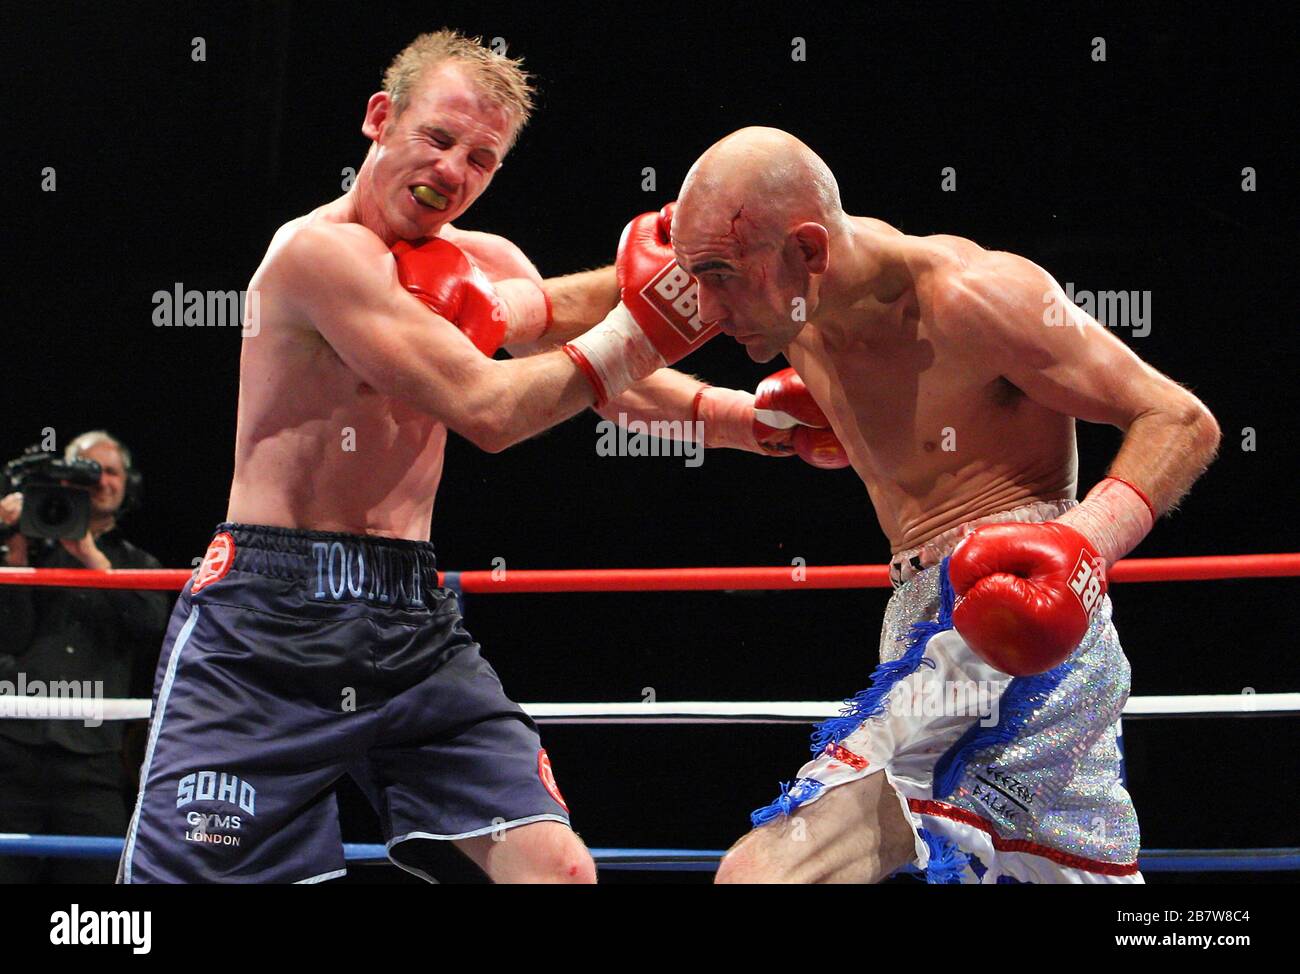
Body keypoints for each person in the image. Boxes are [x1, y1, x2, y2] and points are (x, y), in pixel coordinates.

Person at [118, 32, 844, 885]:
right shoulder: (316, 254)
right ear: (380, 119)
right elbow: (488, 409)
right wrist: (642, 320)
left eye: (483, 159)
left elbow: (604, 387)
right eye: (439, 139)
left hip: (409, 620)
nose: (454, 171)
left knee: (557, 870)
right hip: (266, 624)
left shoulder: (488, 265)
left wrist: (753, 421)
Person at [669, 127, 1220, 884]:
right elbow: (580, 352)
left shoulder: (975, 297)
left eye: (718, 275)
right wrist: (738, 419)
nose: (704, 306)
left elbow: (1180, 418)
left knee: (767, 874)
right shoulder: (781, 307)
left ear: (810, 250)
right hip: (923, 614)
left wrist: (1083, 544)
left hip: (1011, 613)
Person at [0, 431, 169, 883]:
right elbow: (8, 637)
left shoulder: (139, 564)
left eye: (109, 471)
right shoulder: (24, 552)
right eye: (87, 471)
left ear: (126, 484)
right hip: (10, 751)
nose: (100, 481)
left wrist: (93, 560)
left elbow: (153, 628)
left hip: (92, 761)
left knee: (95, 882)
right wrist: (10, 544)